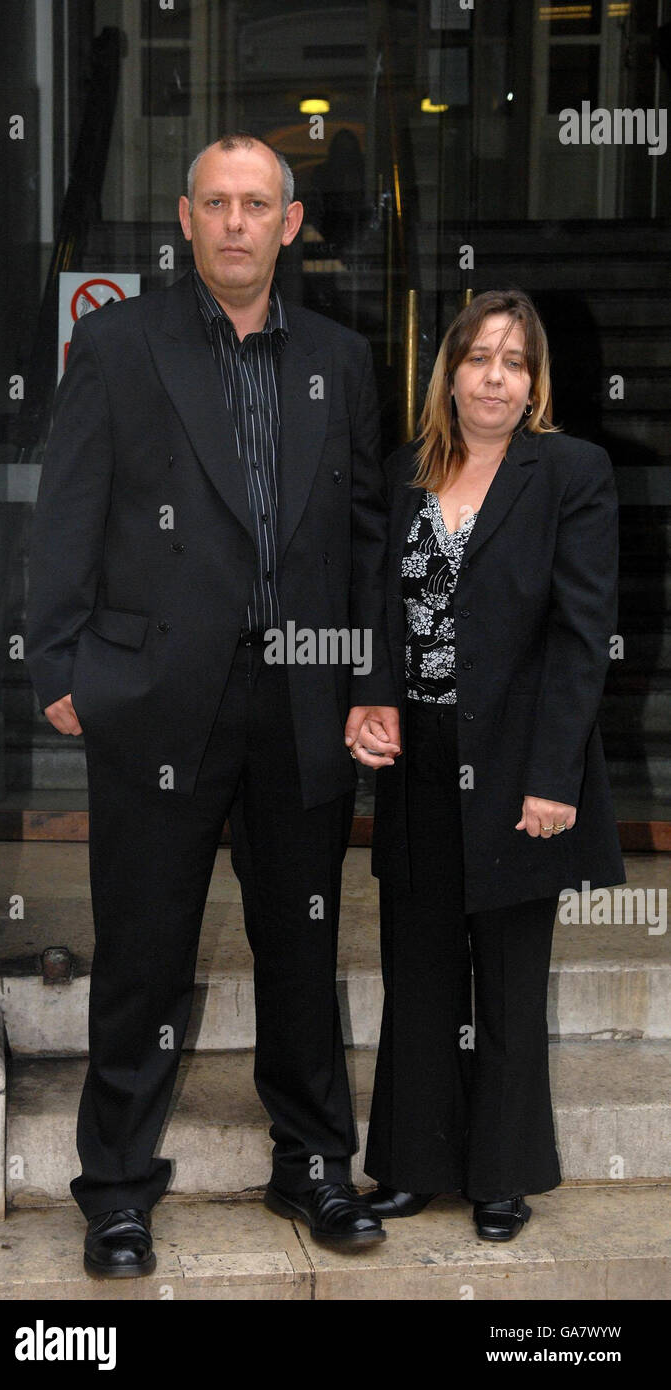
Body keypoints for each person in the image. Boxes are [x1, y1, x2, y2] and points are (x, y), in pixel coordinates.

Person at [24, 132, 401, 1276]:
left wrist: (371, 684)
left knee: (303, 945)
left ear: (291, 226)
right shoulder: (118, 343)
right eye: (216, 204)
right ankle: (118, 1187)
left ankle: (315, 1161)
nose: (236, 223)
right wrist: (59, 668)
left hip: (302, 699)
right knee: (143, 952)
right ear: (184, 221)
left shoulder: (340, 356)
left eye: (257, 205)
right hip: (153, 699)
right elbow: (65, 511)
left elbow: (370, 538)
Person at [345, 289, 626, 1241]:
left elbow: (584, 637)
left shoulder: (573, 473)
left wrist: (555, 779)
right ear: (451, 374)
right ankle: (414, 1163)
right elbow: (378, 608)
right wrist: (371, 698)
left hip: (518, 760)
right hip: (418, 758)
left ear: (535, 381)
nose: (495, 377)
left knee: (509, 975)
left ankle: (501, 1173)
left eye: (515, 361)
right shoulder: (407, 471)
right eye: (479, 359)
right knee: (418, 970)